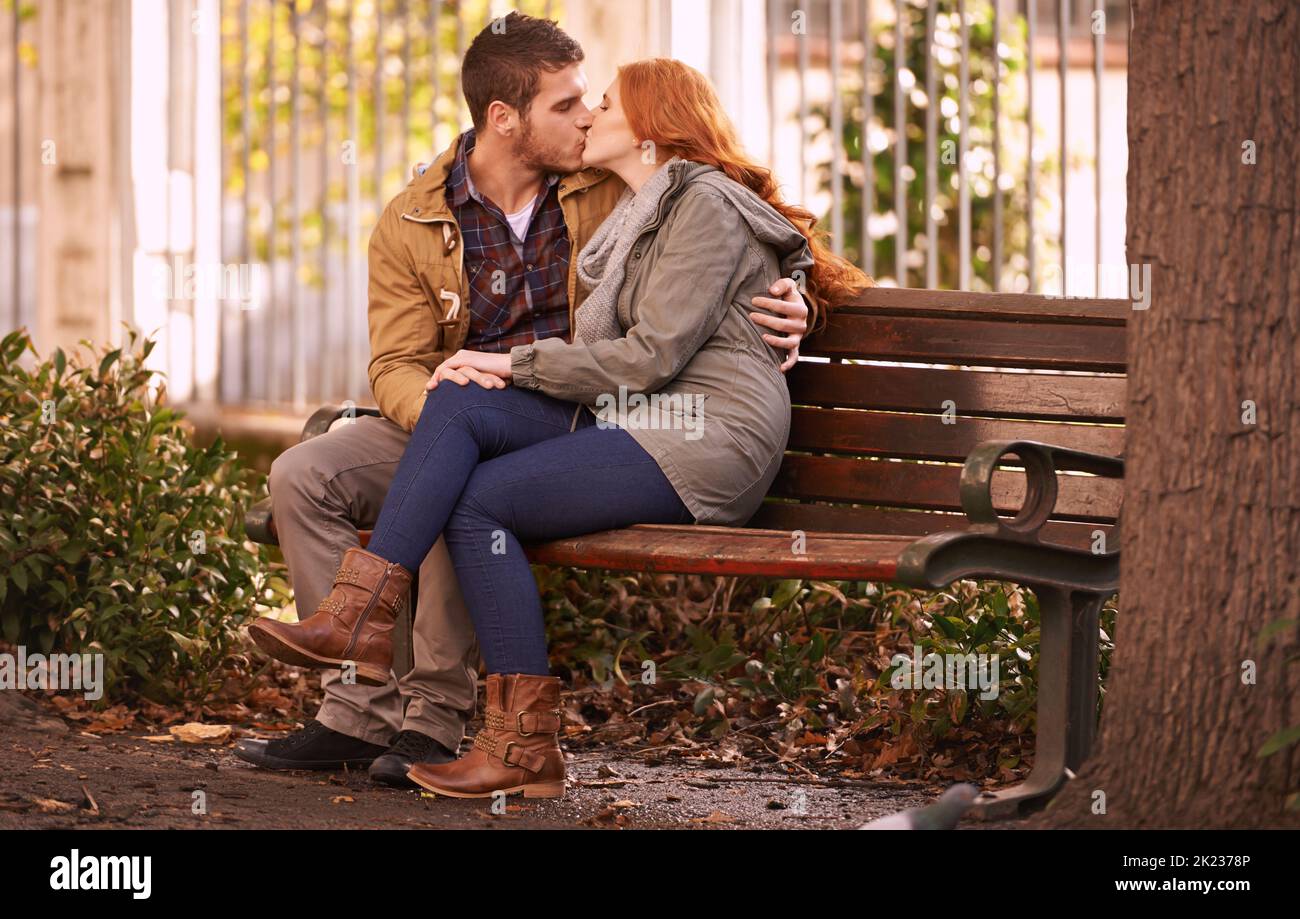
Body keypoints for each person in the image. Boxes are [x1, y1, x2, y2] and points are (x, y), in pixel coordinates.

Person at [249, 56, 871, 798]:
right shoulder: (638, 205)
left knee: (477, 490)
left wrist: (796, 300)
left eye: (600, 103)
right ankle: (372, 633)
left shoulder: (671, 198)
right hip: (632, 417)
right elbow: (402, 362)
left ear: (646, 130)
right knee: (453, 408)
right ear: (504, 116)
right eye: (572, 103)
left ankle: (491, 724)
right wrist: (482, 374)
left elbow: (658, 345)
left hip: (699, 431)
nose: (587, 115)